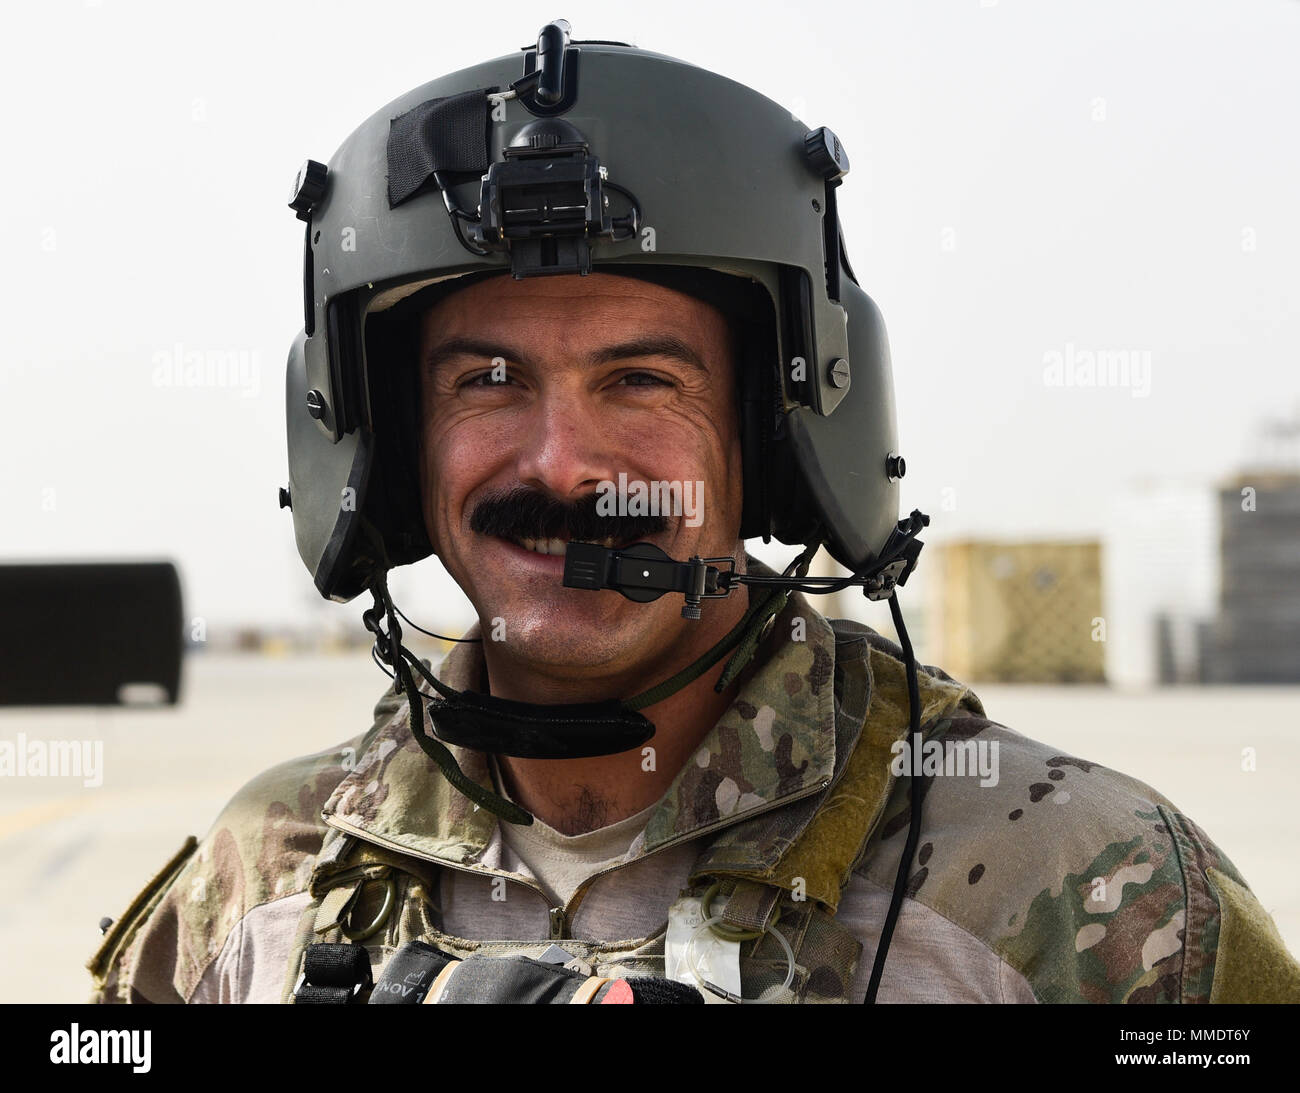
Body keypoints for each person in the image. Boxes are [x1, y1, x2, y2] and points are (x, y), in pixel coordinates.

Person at [89, 21, 1300, 1004]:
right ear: (389, 449)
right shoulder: (263, 884)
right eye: (488, 381)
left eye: (640, 379)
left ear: (771, 442)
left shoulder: (1082, 886)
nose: (563, 464)